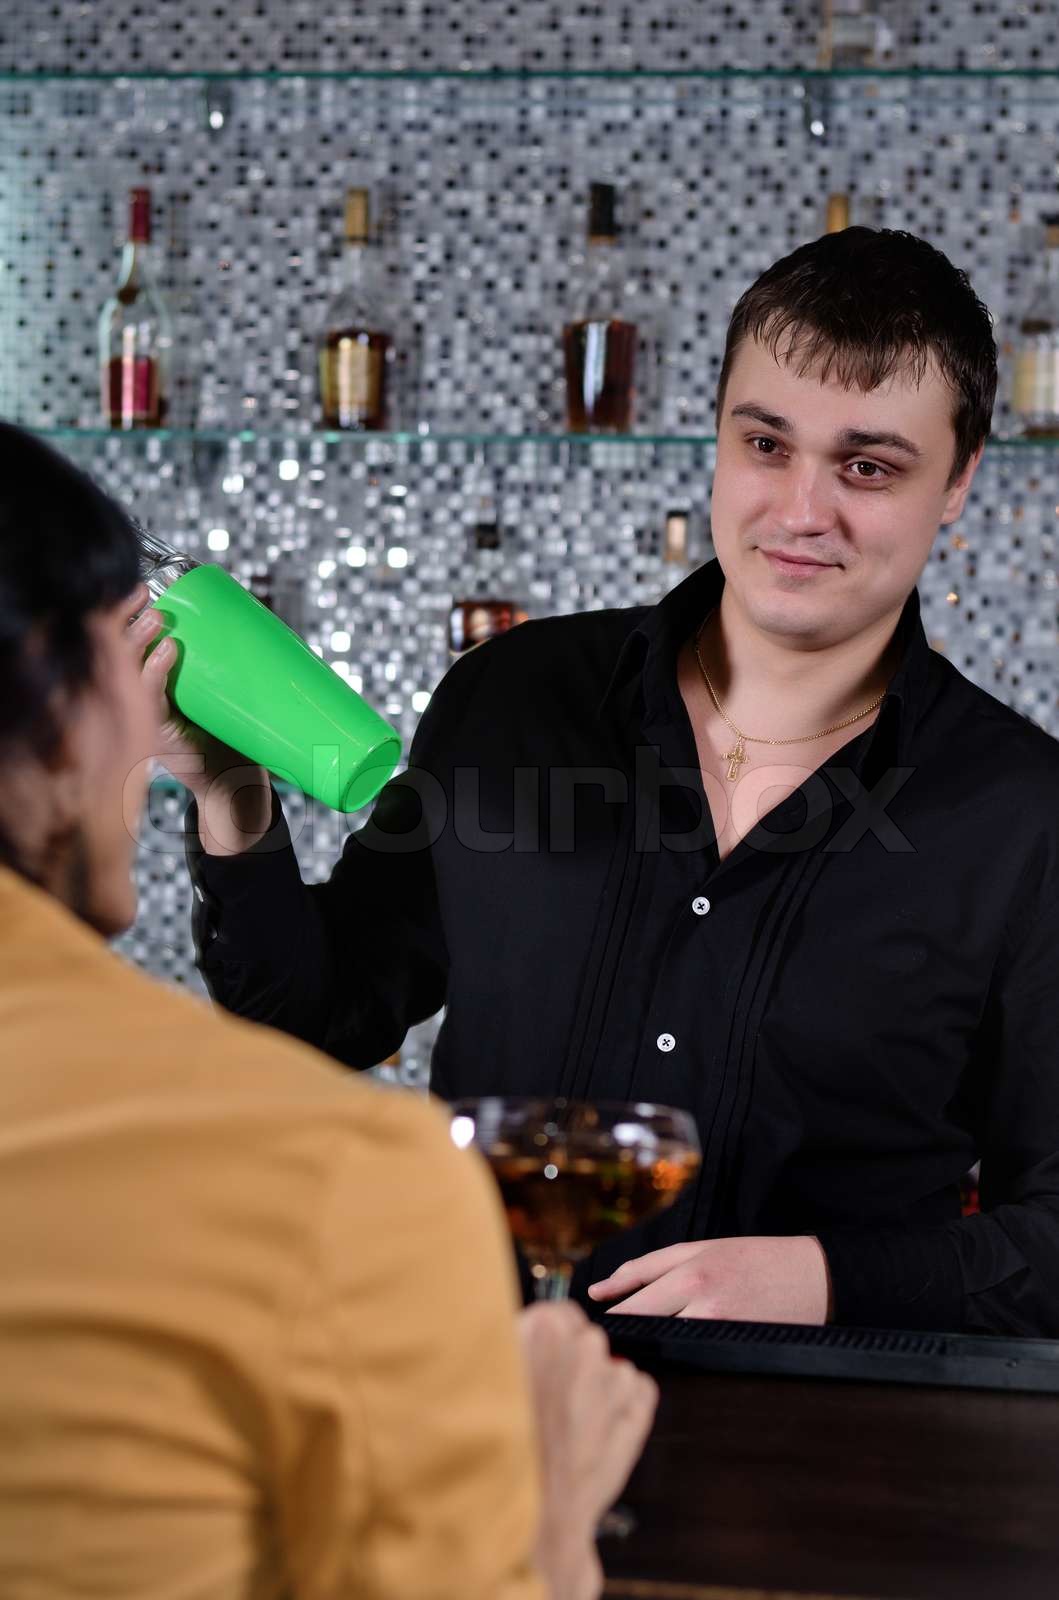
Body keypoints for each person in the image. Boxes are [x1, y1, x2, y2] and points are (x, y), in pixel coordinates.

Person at [155, 227, 1059, 1337]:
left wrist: (823, 1278)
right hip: (476, 1407)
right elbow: (316, 1014)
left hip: (822, 1453)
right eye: (766, 443)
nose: (803, 510)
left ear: (960, 478)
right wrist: (227, 792)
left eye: (868, 466)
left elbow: (1049, 1235)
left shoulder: (1025, 816)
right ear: (718, 435)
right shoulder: (511, 697)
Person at [0, 425, 657, 1600]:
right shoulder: (350, 1181)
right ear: (73, 710)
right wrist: (547, 1522)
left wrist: (231, 793)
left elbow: (327, 1003)